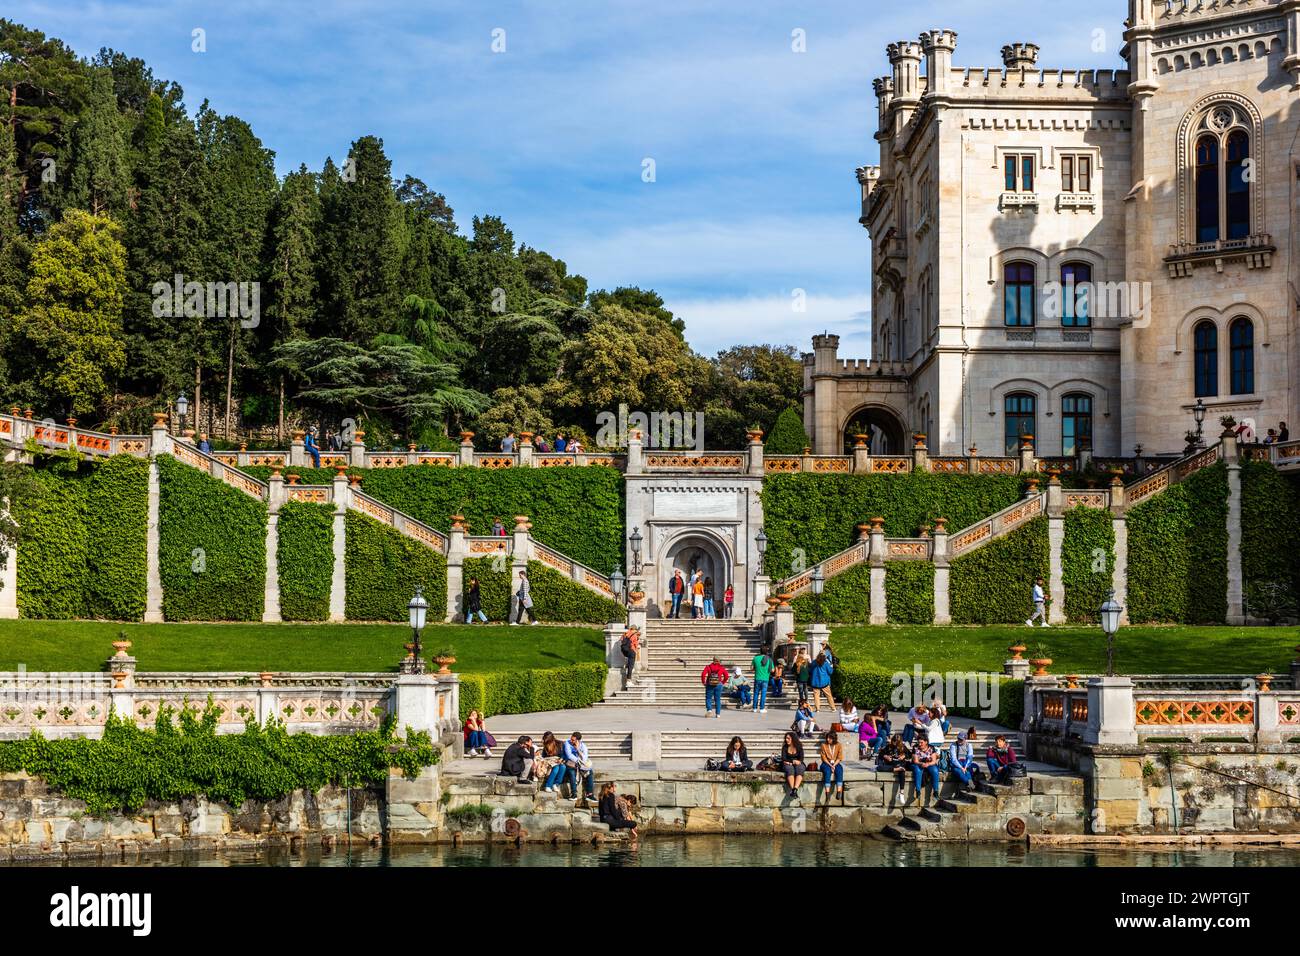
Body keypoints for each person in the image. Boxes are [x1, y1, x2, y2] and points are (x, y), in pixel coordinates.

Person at [562, 732, 595, 803]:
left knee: (590, 772)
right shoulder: (567, 743)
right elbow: (569, 755)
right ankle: (574, 794)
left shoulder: (583, 746)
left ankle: (590, 794)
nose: (571, 741)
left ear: (578, 741)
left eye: (573, 740)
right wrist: (578, 761)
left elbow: (584, 758)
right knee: (572, 772)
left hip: (580, 764)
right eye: (571, 739)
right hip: (570, 763)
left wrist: (577, 749)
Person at [819, 730, 845, 799]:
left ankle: (839, 791)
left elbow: (840, 757)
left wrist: (834, 765)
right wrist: (831, 766)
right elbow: (823, 758)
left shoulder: (839, 745)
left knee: (839, 770)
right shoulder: (823, 745)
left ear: (833, 738)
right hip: (826, 763)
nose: (828, 739)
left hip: (835, 763)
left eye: (830, 738)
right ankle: (827, 793)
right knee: (827, 771)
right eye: (827, 738)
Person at [780, 732, 806, 798]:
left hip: (798, 763)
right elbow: (783, 758)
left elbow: (801, 758)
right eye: (786, 738)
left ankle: (795, 789)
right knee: (789, 769)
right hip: (787, 764)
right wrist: (792, 761)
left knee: (800, 768)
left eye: (788, 738)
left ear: (793, 739)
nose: (786, 739)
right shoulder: (785, 747)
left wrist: (797, 762)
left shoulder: (799, 746)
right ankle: (793, 789)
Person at [751, 648, 774, 714]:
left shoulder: (755, 658)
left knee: (756, 693)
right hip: (765, 679)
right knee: (763, 694)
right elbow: (772, 670)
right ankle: (761, 708)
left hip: (757, 678)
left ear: (760, 651)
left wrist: (757, 668)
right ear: (767, 652)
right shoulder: (769, 659)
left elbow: (751, 668)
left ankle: (754, 708)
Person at [619, 625, 640, 690]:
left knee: (629, 662)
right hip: (631, 650)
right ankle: (628, 681)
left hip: (624, 650)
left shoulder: (625, 633)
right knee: (631, 666)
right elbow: (636, 644)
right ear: (635, 629)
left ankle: (627, 664)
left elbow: (621, 640)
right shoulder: (634, 635)